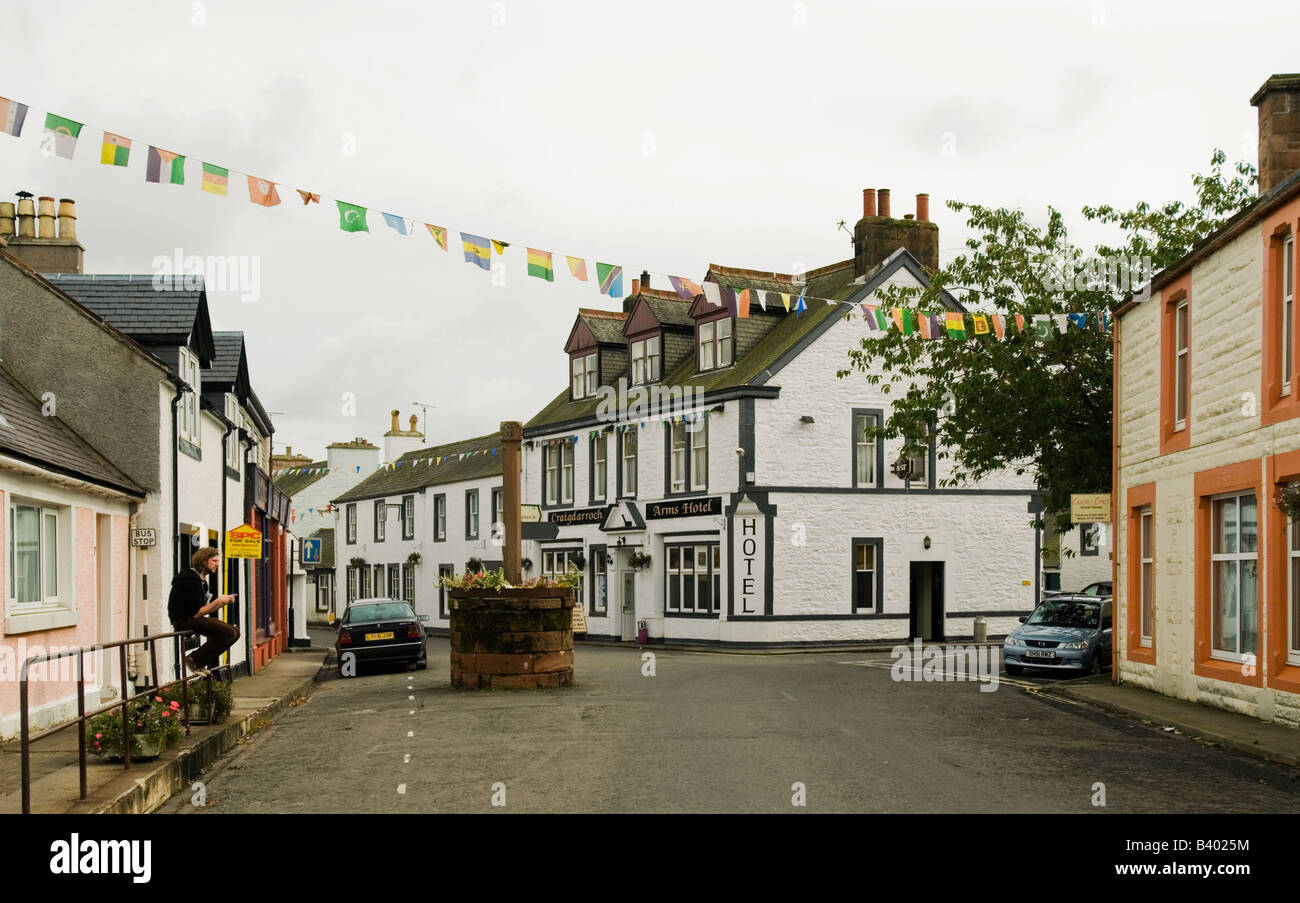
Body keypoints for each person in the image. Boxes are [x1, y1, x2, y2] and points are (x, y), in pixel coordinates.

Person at [168, 547, 239, 678]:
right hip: (183, 620)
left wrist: (221, 603)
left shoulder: (202, 581)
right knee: (229, 633)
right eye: (214, 560)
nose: (217, 564)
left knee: (236, 632)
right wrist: (218, 600)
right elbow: (196, 613)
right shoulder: (190, 580)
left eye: (218, 561)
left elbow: (203, 610)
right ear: (203, 561)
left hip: (193, 618)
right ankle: (193, 659)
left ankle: (199, 662)